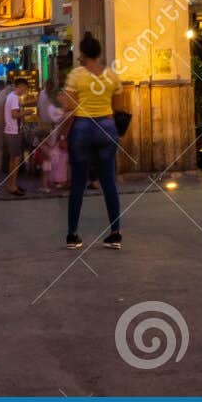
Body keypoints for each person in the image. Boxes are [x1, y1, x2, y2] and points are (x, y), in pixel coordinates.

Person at [58, 32, 125, 249]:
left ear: (83, 54)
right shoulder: (112, 75)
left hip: (83, 128)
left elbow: (69, 106)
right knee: (108, 182)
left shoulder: (77, 75)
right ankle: (115, 233)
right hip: (106, 127)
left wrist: (63, 130)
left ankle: (72, 235)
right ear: (99, 53)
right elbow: (118, 106)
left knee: (78, 183)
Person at [2, 77, 26, 196]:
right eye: (25, 88)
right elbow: (15, 114)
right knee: (16, 160)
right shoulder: (15, 98)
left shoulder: (11, 96)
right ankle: (12, 186)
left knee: (13, 159)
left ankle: (12, 184)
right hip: (14, 132)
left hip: (10, 131)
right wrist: (26, 112)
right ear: (20, 87)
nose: (25, 91)